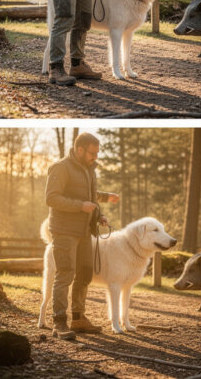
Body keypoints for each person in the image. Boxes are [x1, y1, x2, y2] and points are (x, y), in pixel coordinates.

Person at [45, 132, 119, 339]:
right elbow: (51, 198)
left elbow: (89, 197)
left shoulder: (90, 169)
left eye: (97, 153)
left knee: (85, 274)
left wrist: (100, 214)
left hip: (85, 231)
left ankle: (78, 318)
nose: (95, 157)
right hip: (64, 230)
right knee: (65, 274)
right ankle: (59, 322)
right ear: (79, 150)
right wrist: (80, 207)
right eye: (92, 153)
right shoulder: (60, 167)